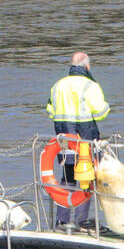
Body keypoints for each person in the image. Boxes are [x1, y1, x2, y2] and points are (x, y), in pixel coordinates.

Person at [46, 51, 110, 227]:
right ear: (87, 66)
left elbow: (50, 110)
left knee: (67, 178)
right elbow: (100, 112)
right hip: (84, 139)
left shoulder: (57, 85)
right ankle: (81, 221)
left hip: (63, 138)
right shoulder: (89, 85)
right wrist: (107, 107)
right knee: (86, 179)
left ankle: (61, 220)